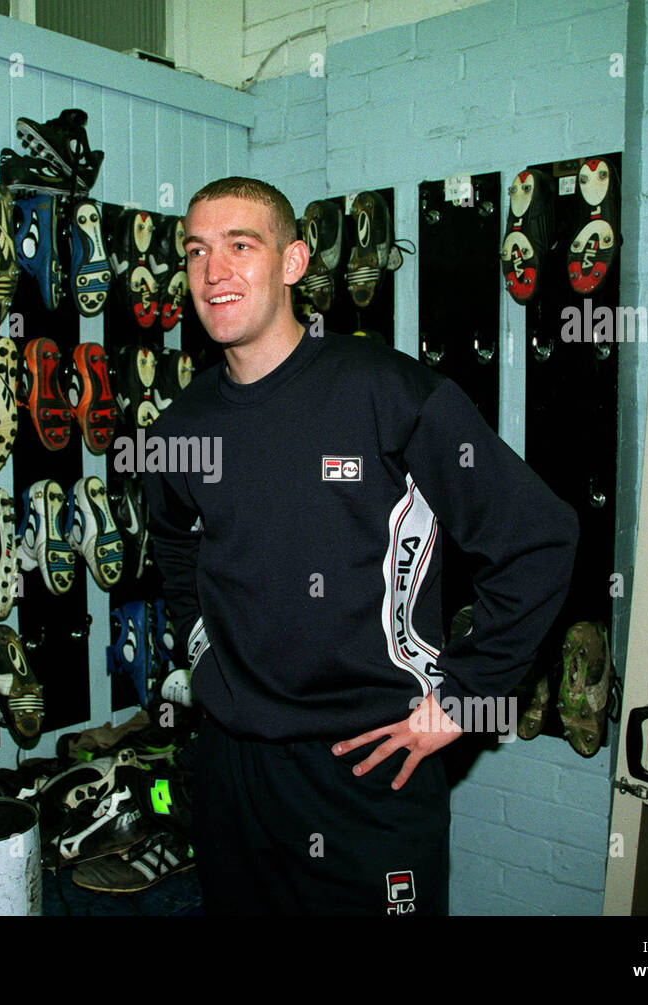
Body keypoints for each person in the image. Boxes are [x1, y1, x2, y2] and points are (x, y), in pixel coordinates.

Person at [142, 177, 579, 915]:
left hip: (368, 773)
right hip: (231, 773)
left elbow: (539, 537)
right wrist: (199, 650)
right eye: (196, 251)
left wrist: (467, 701)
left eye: (240, 246)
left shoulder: (385, 390)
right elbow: (175, 543)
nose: (214, 272)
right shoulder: (180, 428)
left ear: (293, 262)